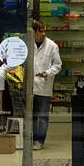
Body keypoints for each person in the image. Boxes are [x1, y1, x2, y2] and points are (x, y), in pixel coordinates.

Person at [30, 19, 62, 150]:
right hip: (30, 87)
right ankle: (30, 139)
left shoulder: (52, 46)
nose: (43, 33)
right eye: (40, 30)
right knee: (31, 115)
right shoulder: (28, 44)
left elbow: (58, 65)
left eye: (44, 30)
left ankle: (39, 141)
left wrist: (47, 73)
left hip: (44, 86)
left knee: (42, 116)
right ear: (34, 32)